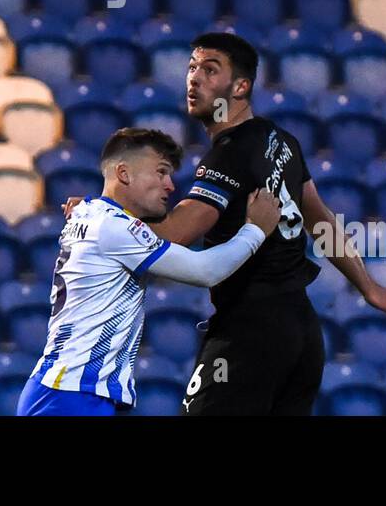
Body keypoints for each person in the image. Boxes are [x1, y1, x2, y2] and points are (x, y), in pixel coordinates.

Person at [64, 32, 386, 415]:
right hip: (302, 331)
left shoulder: (228, 155)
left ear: (241, 86)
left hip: (250, 332)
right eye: (192, 68)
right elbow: (320, 219)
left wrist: (106, 210)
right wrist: (369, 287)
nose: (194, 78)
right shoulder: (282, 141)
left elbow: (176, 235)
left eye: (210, 70)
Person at [18, 127, 281, 416]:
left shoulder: (92, 215)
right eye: (160, 172)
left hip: (71, 393)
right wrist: (255, 231)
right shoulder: (113, 227)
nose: (170, 185)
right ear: (124, 173)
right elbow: (205, 271)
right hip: (72, 397)